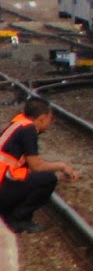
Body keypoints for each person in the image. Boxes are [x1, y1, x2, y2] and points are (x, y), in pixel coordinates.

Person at [0, 96, 79, 234]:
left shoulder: (18, 124)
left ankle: (7, 214)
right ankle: (18, 220)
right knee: (48, 179)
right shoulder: (29, 130)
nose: (50, 123)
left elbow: (21, 169)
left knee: (44, 177)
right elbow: (36, 166)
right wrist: (61, 166)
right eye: (50, 119)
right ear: (42, 118)